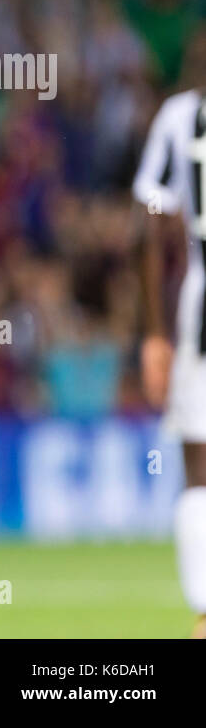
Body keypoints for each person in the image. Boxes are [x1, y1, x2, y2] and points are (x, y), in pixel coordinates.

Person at [132, 88, 206, 638]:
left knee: (200, 467)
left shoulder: (183, 116)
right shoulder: (181, 115)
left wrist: (156, 330)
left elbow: (153, 216)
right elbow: (154, 218)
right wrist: (157, 331)